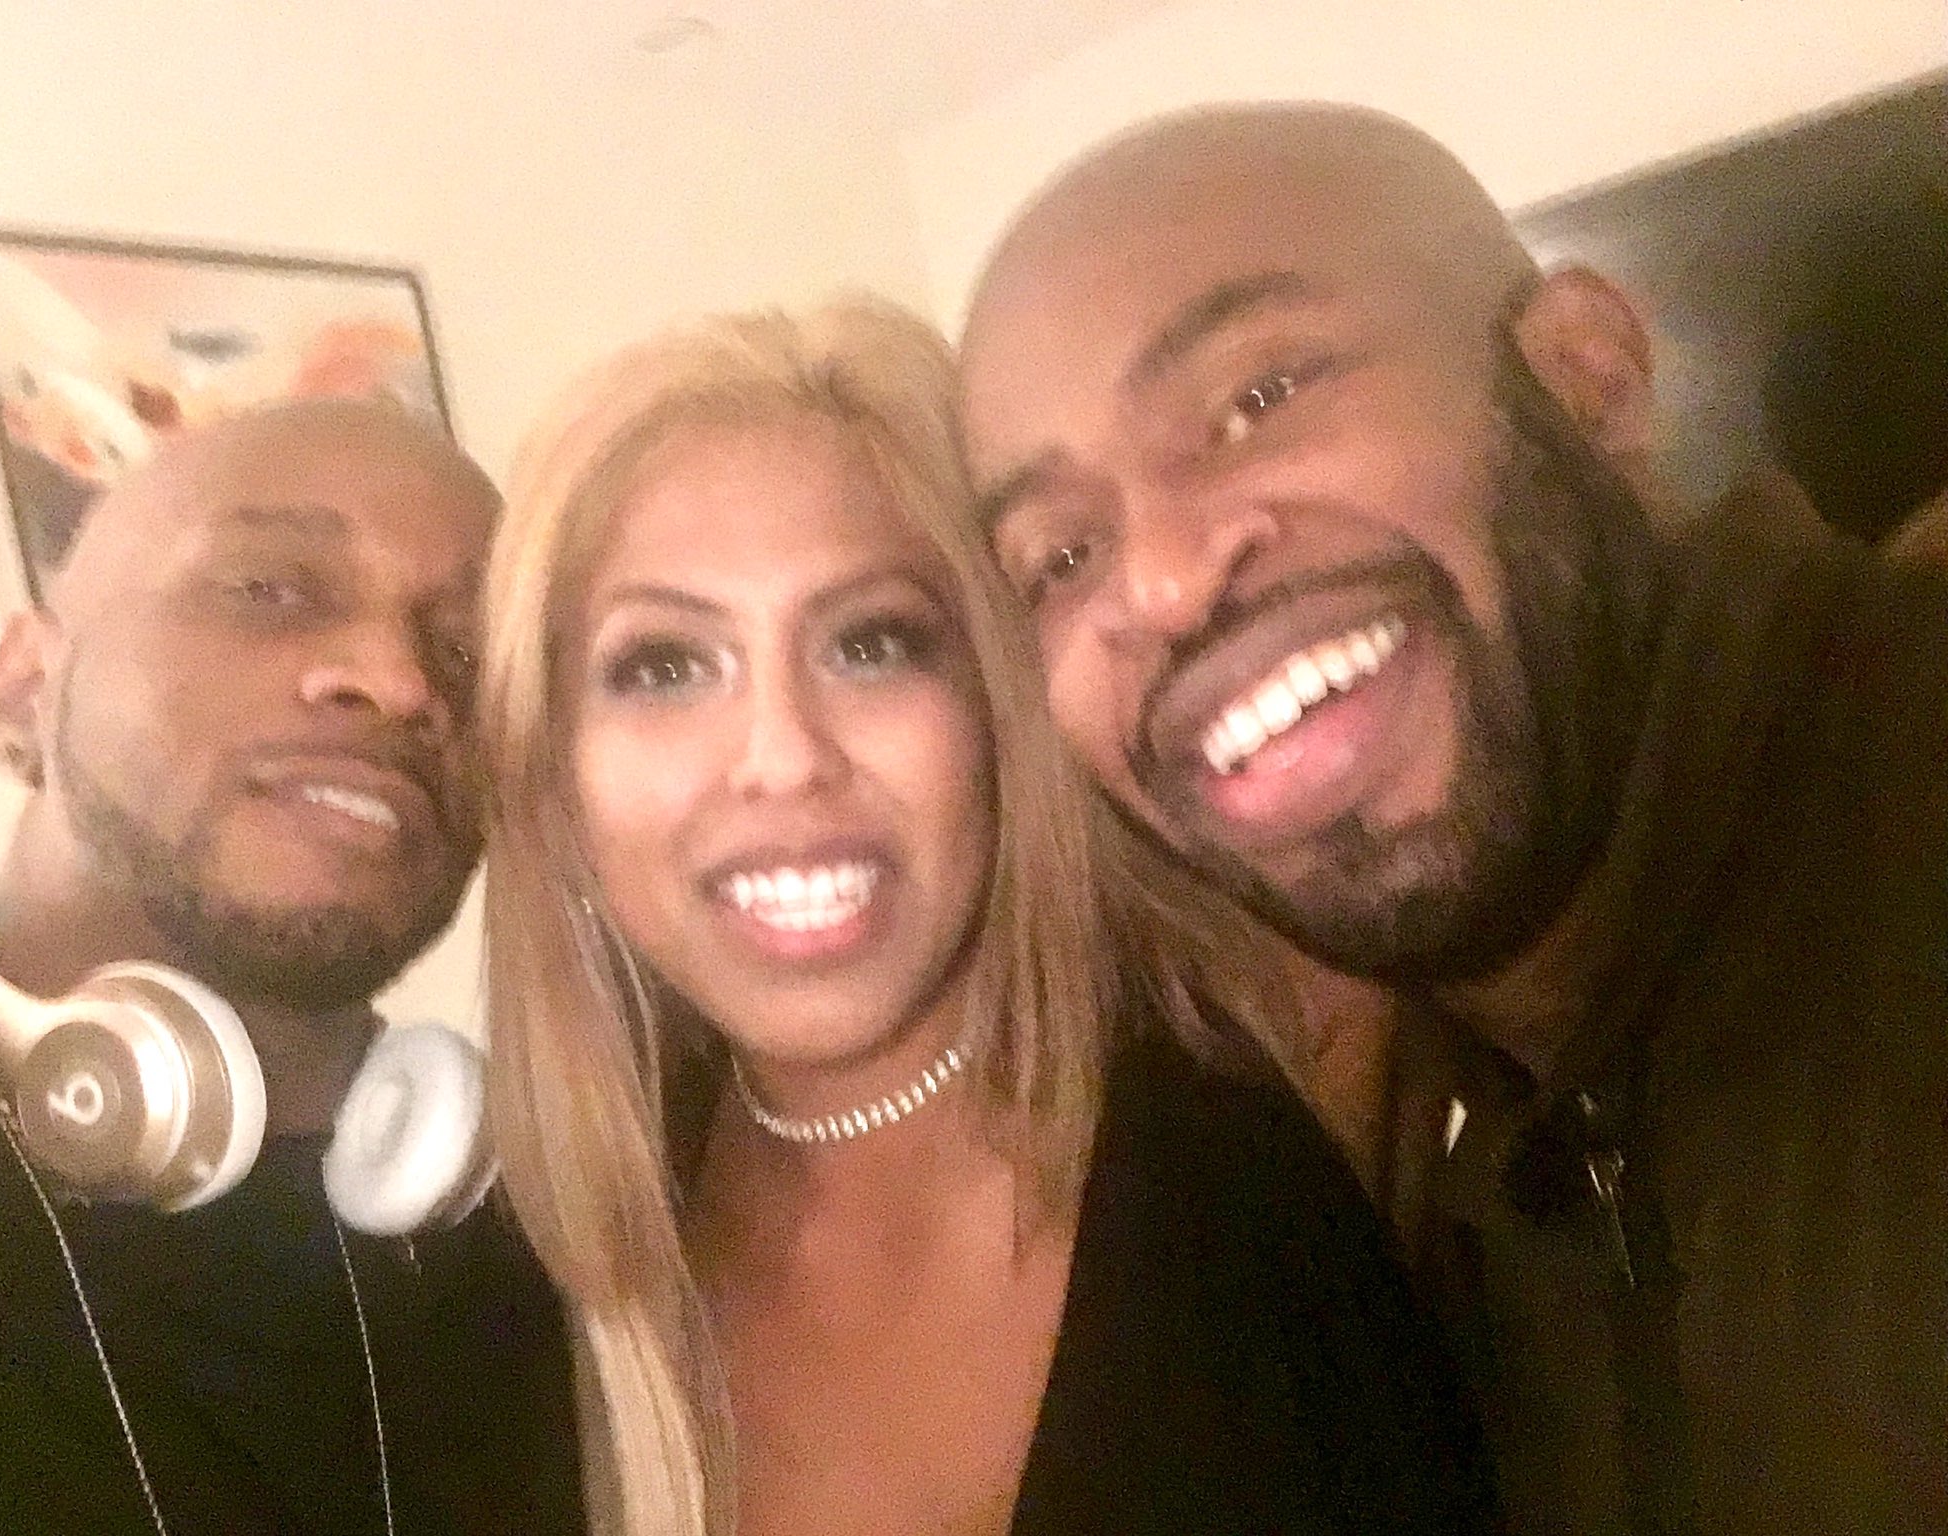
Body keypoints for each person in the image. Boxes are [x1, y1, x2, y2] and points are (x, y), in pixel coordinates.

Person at [957, 102, 1948, 1535]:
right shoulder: (1425, 1185)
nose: (1160, 585)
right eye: (1058, 556)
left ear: (1585, 378)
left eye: (1258, 397)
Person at [478, 299, 1497, 1535]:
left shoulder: (1269, 1135)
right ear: (554, 783)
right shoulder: (518, 1294)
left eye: (871, 643)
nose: (782, 758)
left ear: (1002, 711)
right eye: (662, 667)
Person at [0, 400, 578, 1534]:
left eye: (466, 650)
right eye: (270, 589)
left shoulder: (573, 1256)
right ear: (26, 690)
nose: (399, 680)